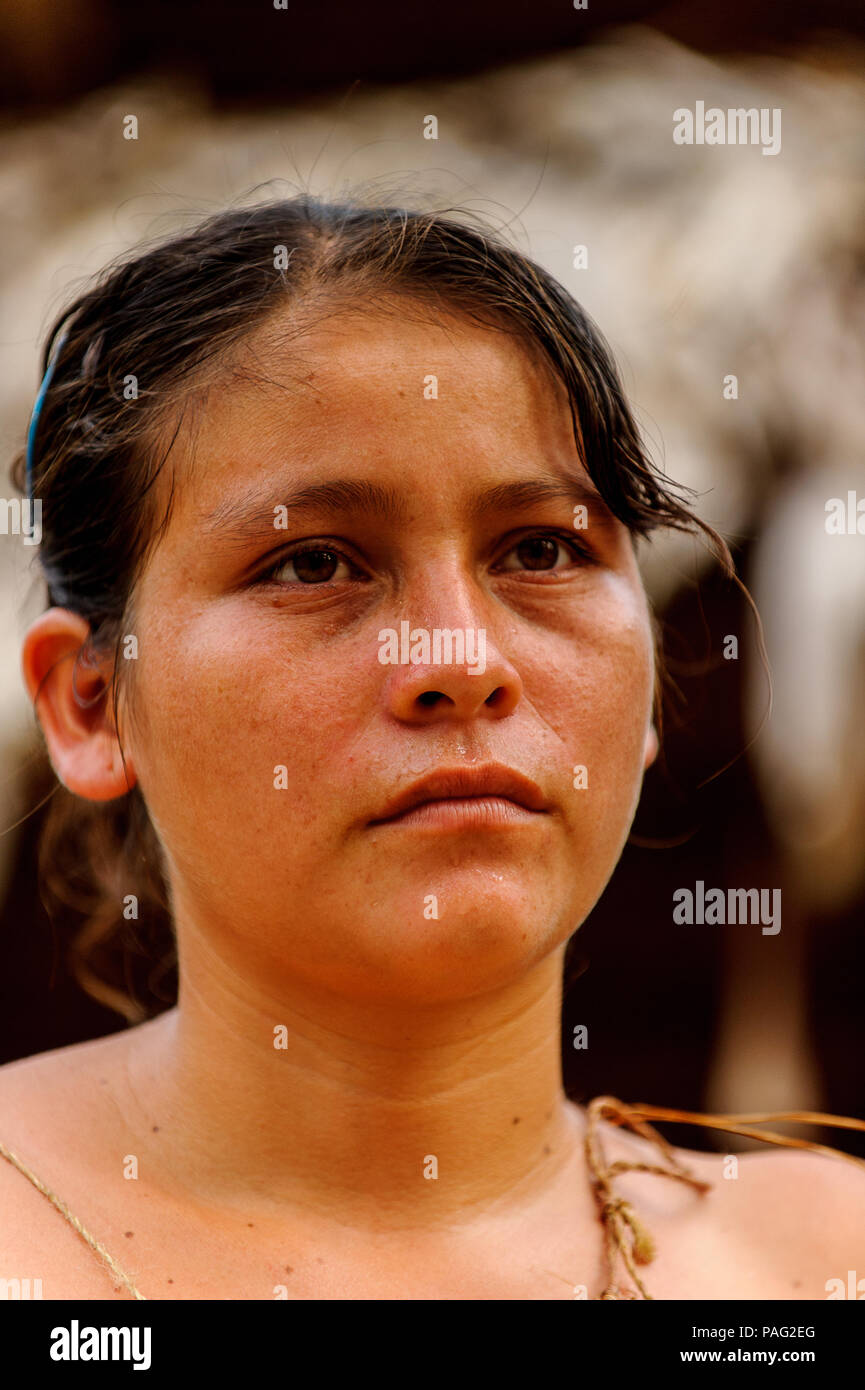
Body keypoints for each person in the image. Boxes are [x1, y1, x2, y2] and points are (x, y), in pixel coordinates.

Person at [1, 196, 862, 1301]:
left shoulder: (815, 1269)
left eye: (542, 548)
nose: (460, 656)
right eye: (314, 563)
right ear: (89, 704)